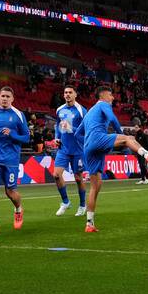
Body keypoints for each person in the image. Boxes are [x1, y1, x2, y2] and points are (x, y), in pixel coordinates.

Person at [79, 85, 148, 233]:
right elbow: (112, 118)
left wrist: (86, 145)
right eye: (110, 95)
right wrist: (120, 134)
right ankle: (147, 155)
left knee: (95, 186)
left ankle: (89, 223)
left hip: (88, 147)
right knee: (128, 138)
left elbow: (78, 133)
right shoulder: (103, 105)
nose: (112, 98)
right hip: (97, 139)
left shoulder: (89, 112)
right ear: (103, 95)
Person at [0, 87, 29, 235]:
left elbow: (26, 138)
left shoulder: (18, 115)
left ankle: (18, 209)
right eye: (2, 96)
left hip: (11, 159)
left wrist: (12, 134)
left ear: (12, 99)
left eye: (7, 96)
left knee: (10, 192)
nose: (4, 98)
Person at [52, 85, 88, 217]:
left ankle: (83, 205)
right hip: (63, 148)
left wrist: (71, 127)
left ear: (75, 94)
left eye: (70, 92)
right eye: (65, 92)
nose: (67, 94)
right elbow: (58, 125)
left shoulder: (81, 110)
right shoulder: (60, 109)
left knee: (78, 178)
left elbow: (85, 128)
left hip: (77, 149)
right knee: (56, 175)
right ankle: (66, 202)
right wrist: (57, 137)